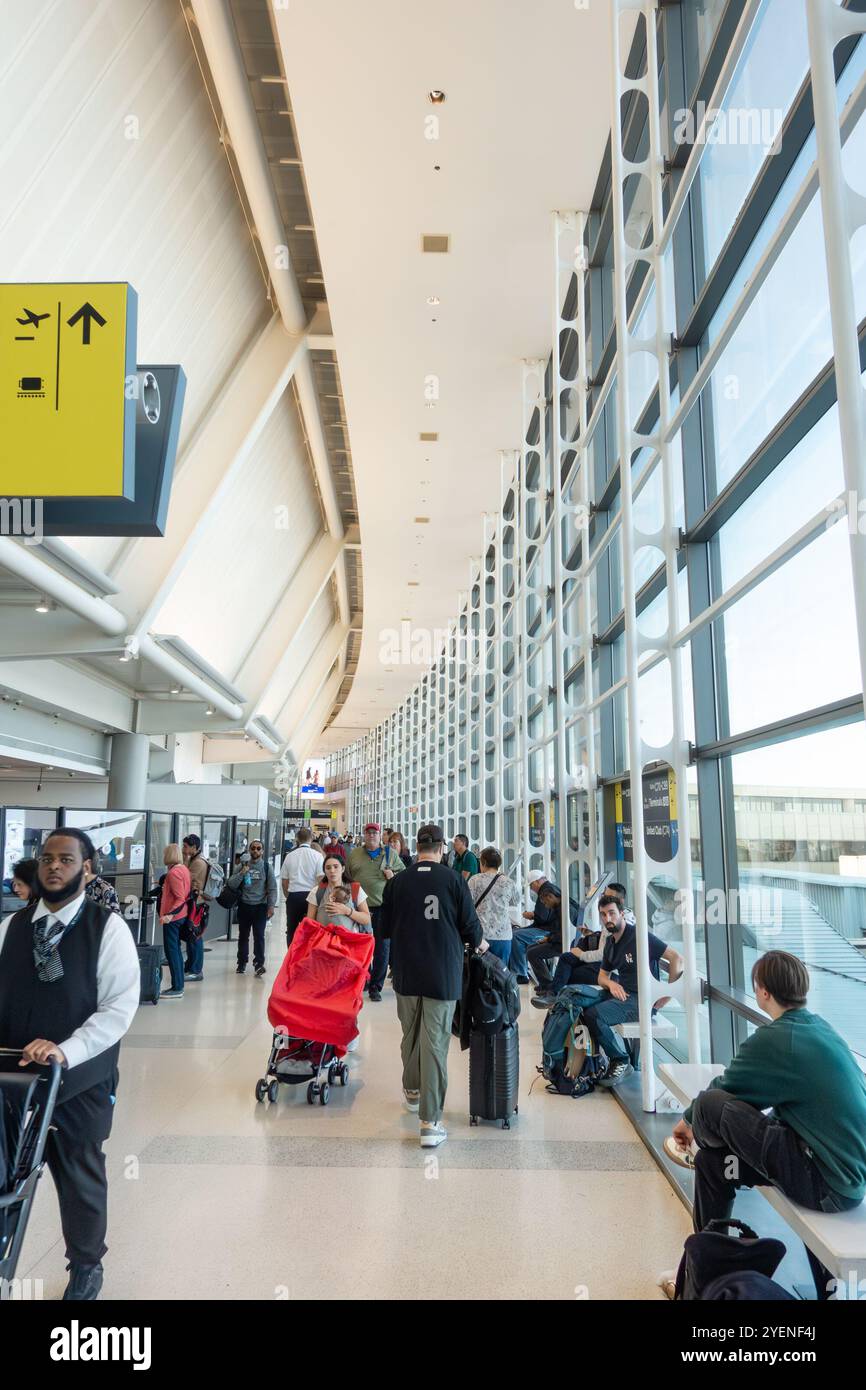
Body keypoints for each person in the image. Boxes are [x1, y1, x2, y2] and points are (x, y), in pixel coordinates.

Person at [0, 828, 139, 1300]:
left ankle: (86, 1265)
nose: (54, 866)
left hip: (79, 1079)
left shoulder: (108, 928)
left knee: (79, 1172)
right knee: (4, 1171)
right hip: (14, 1078)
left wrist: (67, 1050)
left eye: (65, 859)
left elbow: (119, 1008)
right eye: (46, 859)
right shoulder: (12, 927)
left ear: (87, 869)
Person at [666, 950, 866, 1241]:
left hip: (824, 1183)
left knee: (709, 1104)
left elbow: (725, 1087)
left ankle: (703, 1144)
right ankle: (712, 1262)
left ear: (763, 991)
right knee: (712, 1163)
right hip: (843, 1177)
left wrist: (688, 1122)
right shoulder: (820, 1028)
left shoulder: (779, 1039)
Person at [380, 823, 483, 1147]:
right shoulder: (453, 880)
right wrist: (480, 944)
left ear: (417, 846)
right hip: (442, 972)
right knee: (435, 1043)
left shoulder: (397, 882)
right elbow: (470, 928)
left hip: (406, 971)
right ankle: (430, 1121)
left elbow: (382, 928)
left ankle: (412, 1090)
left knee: (410, 1034)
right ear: (442, 848)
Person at [581, 892, 682, 1088]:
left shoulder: (640, 936)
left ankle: (620, 1059)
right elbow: (602, 976)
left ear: (621, 914)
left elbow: (677, 958)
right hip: (624, 994)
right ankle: (599, 1062)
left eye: (611, 913)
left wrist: (667, 994)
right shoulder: (611, 942)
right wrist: (612, 984)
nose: (607, 919)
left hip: (643, 1000)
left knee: (595, 1015)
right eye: (603, 914)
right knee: (583, 1003)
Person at [531, 881, 633, 1007]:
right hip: (602, 962)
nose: (604, 899)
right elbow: (606, 941)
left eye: (609, 897)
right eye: (604, 896)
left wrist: (582, 954)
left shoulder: (623, 922)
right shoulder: (612, 916)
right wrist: (590, 934)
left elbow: (604, 954)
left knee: (567, 974)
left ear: (621, 902)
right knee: (566, 958)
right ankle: (553, 994)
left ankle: (556, 996)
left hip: (611, 971)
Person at [346, 823, 405, 1001]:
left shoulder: (389, 854)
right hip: (359, 908)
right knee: (360, 946)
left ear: (380, 836)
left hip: (382, 907)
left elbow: (404, 875)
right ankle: (365, 978)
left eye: (374, 833)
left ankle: (376, 987)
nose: (371, 835)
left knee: (382, 948)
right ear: (364, 835)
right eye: (368, 832)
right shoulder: (355, 854)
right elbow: (347, 876)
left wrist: (392, 875)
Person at [227, 839, 277, 977]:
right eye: (253, 848)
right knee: (243, 936)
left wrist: (271, 906)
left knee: (259, 936)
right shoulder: (242, 865)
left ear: (262, 851)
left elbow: (272, 888)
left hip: (260, 907)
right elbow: (231, 884)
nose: (255, 850)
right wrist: (242, 872)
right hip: (244, 905)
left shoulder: (267, 867)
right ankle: (241, 962)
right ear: (249, 850)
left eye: (258, 848)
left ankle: (259, 964)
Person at [467, 847, 519, 965]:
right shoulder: (508, 881)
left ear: (483, 862)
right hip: (503, 935)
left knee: (478, 974)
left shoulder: (474, 880)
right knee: (500, 975)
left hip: (480, 935)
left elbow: (467, 904)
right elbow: (515, 901)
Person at [306, 853, 372, 933]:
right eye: (328, 868)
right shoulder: (316, 892)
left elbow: (366, 919)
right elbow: (309, 923)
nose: (332, 871)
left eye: (336, 867)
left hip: (348, 942)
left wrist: (347, 911)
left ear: (343, 869)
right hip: (323, 942)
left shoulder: (355, 889)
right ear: (324, 871)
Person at [280, 827, 324, 945]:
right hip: (312, 897)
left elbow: (284, 881)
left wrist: (288, 895)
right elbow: (321, 879)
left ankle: (291, 957)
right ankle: (308, 955)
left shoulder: (289, 856)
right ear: (311, 839)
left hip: (294, 896)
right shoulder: (317, 856)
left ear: (297, 839)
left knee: (292, 930)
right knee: (312, 928)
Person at [508, 877, 558, 981]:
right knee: (515, 932)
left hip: (547, 931)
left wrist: (531, 915)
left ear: (537, 881)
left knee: (515, 936)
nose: (531, 889)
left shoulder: (545, 892)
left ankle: (520, 973)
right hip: (548, 929)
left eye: (531, 885)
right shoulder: (551, 889)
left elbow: (542, 917)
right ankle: (521, 969)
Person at [158, 844, 191, 999]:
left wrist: (169, 915)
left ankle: (177, 987)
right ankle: (178, 985)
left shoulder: (174, 873)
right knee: (175, 952)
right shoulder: (182, 869)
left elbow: (180, 898)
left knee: (173, 953)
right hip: (180, 917)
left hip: (174, 919)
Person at [181, 835, 209, 982]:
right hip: (193, 902)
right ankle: (191, 965)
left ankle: (196, 970)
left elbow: (184, 879)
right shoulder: (194, 860)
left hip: (196, 904)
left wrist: (184, 859)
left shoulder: (198, 862)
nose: (183, 849)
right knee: (191, 936)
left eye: (186, 846)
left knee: (195, 936)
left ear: (194, 847)